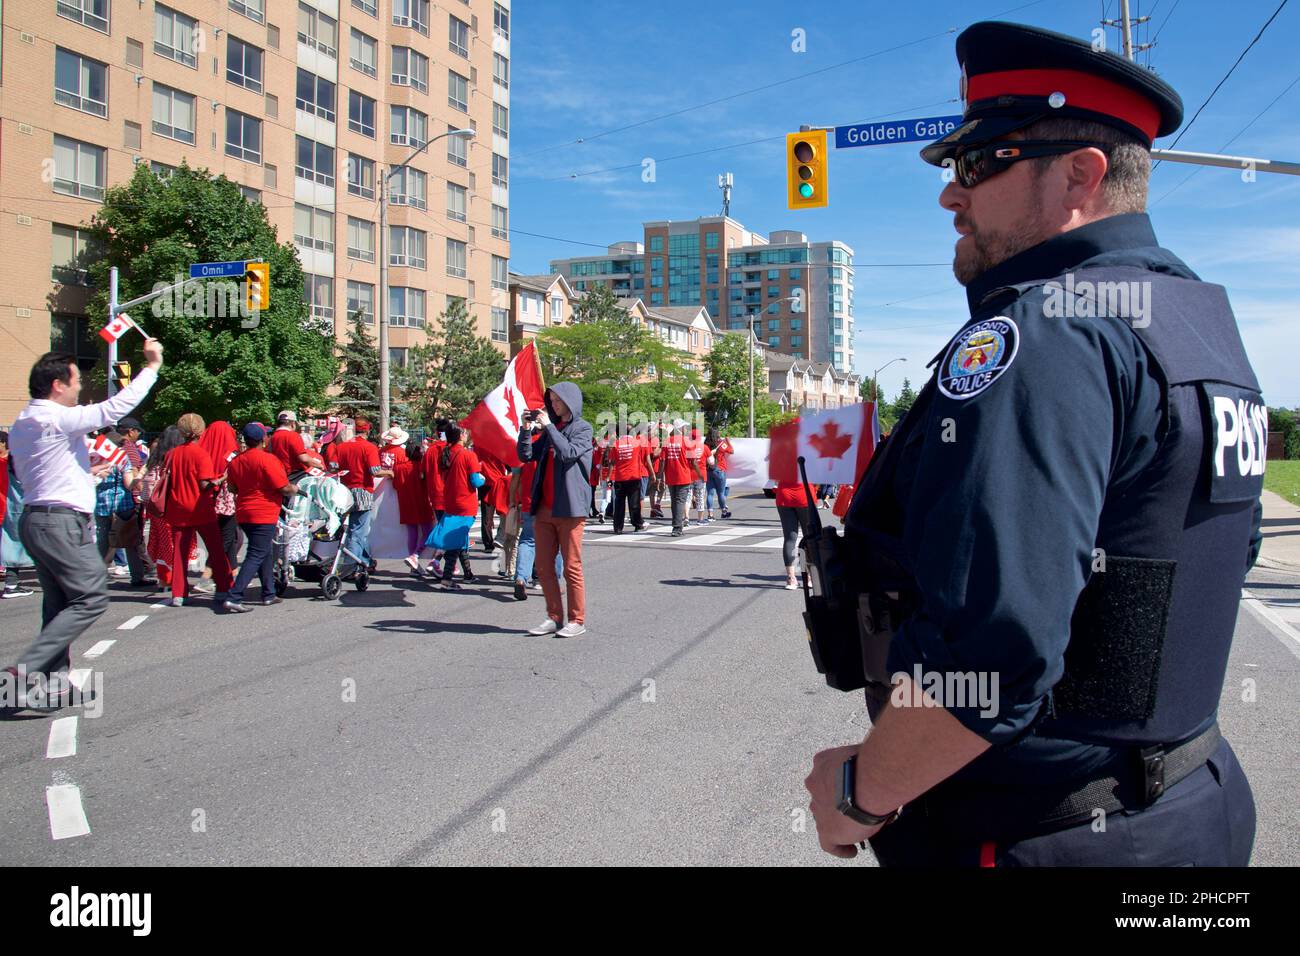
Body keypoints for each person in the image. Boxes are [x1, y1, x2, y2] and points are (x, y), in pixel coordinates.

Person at [804, 21, 1259, 867]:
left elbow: (994, 659)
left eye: (980, 165)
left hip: (1043, 829)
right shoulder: (1197, 322)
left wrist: (857, 793)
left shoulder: (1049, 333)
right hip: (1194, 804)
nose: (952, 194)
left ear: (1080, 176)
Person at [4, 341, 163, 711]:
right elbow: (115, 408)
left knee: (58, 606)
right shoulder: (55, 417)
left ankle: (54, 685)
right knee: (91, 596)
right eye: (76, 381)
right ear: (58, 385)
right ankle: (25, 671)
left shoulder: (25, 422)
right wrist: (151, 367)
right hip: (60, 523)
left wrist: (86, 472)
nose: (80, 388)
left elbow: (46, 472)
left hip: (38, 518)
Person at [517, 383, 592, 637]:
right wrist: (526, 430)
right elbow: (526, 455)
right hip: (545, 507)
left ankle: (576, 619)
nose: (554, 404)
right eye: (552, 400)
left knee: (572, 566)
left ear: (570, 401)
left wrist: (548, 425)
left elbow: (569, 453)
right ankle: (554, 615)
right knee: (545, 567)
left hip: (570, 508)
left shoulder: (582, 428)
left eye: (558, 400)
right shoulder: (551, 430)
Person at [223, 423, 296, 612]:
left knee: (264, 551)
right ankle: (235, 596)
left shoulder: (237, 461)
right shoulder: (268, 460)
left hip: (244, 511)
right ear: (263, 440)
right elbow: (283, 487)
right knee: (256, 553)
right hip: (263, 512)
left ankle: (268, 593)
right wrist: (294, 489)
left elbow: (232, 488)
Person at [164, 413, 234, 607]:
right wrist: (221, 479)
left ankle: (178, 593)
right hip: (200, 507)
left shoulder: (173, 454)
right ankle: (223, 587)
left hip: (178, 507)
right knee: (216, 550)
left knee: (179, 553)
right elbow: (205, 485)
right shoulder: (201, 454)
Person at [331, 422, 392, 578]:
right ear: (368, 430)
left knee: (354, 531)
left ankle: (365, 560)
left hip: (343, 492)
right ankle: (350, 567)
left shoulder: (341, 447)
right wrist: (390, 472)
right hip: (362, 492)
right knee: (357, 531)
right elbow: (375, 471)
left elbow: (332, 466)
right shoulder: (369, 447)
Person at [432, 424, 482, 589]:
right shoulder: (468, 455)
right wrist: (483, 480)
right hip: (465, 503)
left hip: (450, 500)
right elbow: (475, 481)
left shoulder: (445, 453)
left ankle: (468, 574)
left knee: (459, 538)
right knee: (456, 541)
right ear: (461, 436)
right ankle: (447, 578)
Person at [138, 425, 185, 591]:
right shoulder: (175, 458)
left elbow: (145, 485)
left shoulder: (153, 458)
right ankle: (173, 580)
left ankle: (163, 579)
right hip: (172, 508)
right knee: (173, 545)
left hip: (154, 508)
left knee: (160, 544)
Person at [114, 417, 156, 585]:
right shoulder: (129, 449)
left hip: (115, 498)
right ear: (130, 431)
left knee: (124, 538)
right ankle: (144, 570)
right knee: (133, 538)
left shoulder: (114, 447)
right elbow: (134, 474)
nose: (138, 434)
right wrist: (141, 492)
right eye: (137, 431)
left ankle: (141, 571)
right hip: (130, 499)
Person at [198, 421, 241, 576]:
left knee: (225, 536)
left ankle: (234, 571)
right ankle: (208, 572)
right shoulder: (231, 452)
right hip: (226, 498)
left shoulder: (202, 449)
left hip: (206, 497)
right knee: (227, 536)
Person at [1, 431, 36, 599]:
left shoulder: (13, 457)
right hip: (24, 504)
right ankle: (12, 584)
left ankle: (11, 583)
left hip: (14, 504)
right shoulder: (21, 457)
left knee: (14, 541)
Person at [394, 438, 434, 578]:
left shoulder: (398, 467)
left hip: (405, 502)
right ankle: (415, 555)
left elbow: (395, 485)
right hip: (421, 501)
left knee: (412, 532)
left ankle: (414, 565)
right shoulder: (422, 466)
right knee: (428, 531)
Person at [774, 478, 817, 590]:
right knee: (809, 537)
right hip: (804, 494)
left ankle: (791, 578)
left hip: (784, 494)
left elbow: (774, 479)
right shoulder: (808, 459)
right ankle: (810, 576)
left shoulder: (780, 459)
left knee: (789, 539)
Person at [608, 427, 647, 534]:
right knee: (634, 503)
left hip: (620, 477)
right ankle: (637, 524)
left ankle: (618, 527)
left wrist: (608, 477)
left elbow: (612, 462)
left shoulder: (616, 444)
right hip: (633, 477)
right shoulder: (637, 443)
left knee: (619, 503)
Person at [661, 422, 696, 538]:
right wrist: (699, 474)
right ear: (680, 429)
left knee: (674, 501)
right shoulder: (686, 442)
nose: (687, 429)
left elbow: (663, 460)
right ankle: (677, 527)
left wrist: (659, 477)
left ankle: (676, 525)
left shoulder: (667, 441)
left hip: (671, 476)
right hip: (683, 476)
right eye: (685, 427)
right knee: (680, 501)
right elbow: (693, 460)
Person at [705, 428, 734, 520]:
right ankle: (724, 512)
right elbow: (731, 451)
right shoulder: (721, 443)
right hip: (720, 469)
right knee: (721, 493)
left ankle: (710, 514)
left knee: (710, 493)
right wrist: (728, 441)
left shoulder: (706, 444)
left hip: (709, 470)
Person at [686, 427, 711, 527]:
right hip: (701, 475)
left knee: (687, 497)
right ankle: (700, 519)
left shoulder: (687, 447)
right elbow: (711, 462)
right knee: (700, 496)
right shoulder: (705, 447)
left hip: (689, 475)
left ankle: (686, 518)